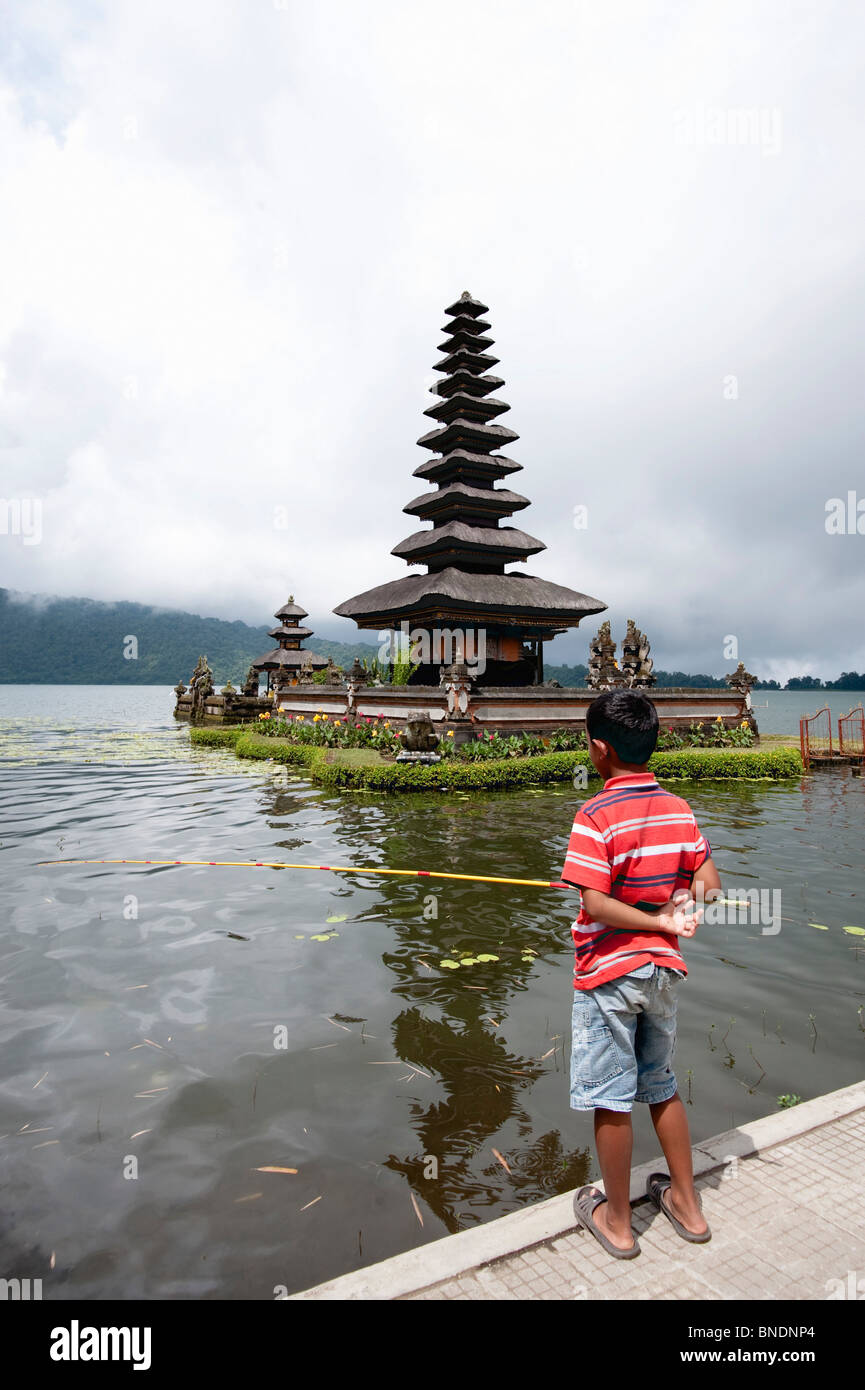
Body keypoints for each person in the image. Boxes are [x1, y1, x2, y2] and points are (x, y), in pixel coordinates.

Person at [561, 690, 722, 1258]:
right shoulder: (678, 809)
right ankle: (688, 1205)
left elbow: (598, 906)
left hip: (610, 973)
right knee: (660, 1084)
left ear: (600, 750)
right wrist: (682, 906)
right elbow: (709, 883)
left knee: (611, 1096)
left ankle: (619, 1222)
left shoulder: (594, 815)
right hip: (661, 973)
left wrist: (654, 916)